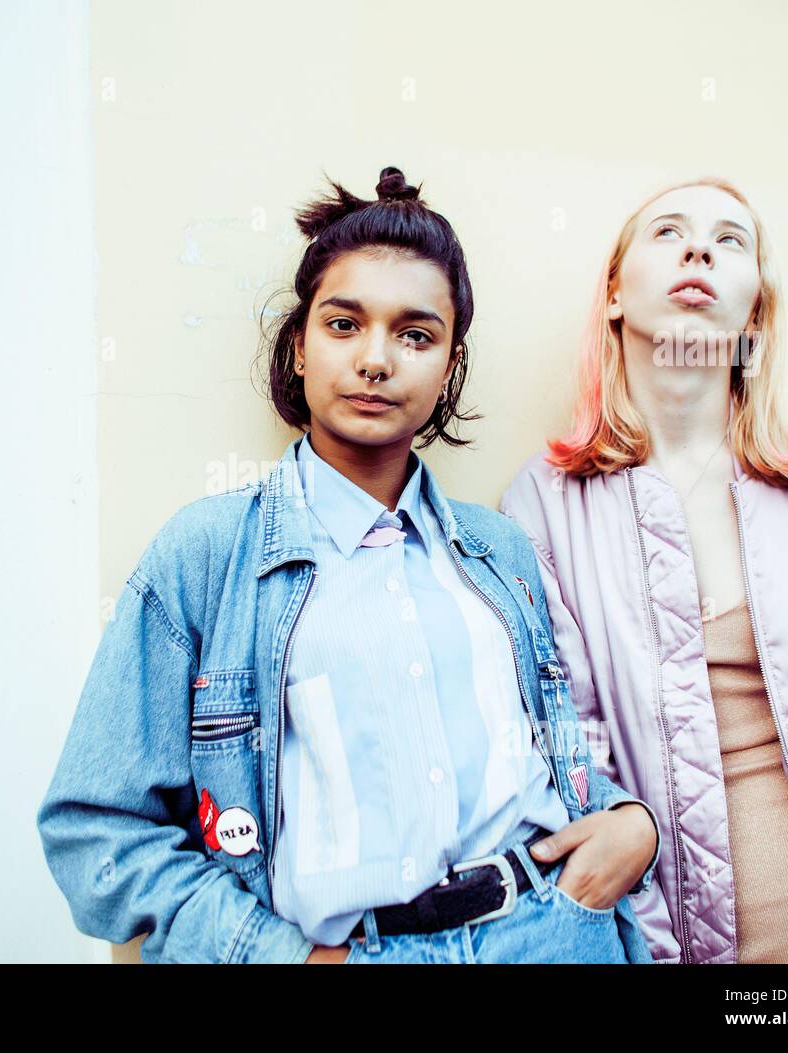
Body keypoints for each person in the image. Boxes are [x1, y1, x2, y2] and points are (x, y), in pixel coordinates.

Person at [38, 166, 660, 964]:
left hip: (554, 933)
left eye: (415, 334)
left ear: (447, 369)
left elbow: (551, 752)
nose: (376, 359)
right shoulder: (203, 556)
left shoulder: (498, 550)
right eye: (343, 324)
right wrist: (274, 956)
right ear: (299, 347)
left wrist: (629, 824)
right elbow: (97, 830)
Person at [500, 177, 788, 964]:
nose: (698, 249)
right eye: (668, 233)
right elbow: (574, 758)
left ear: (754, 313)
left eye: (731, 240)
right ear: (615, 294)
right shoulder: (543, 507)